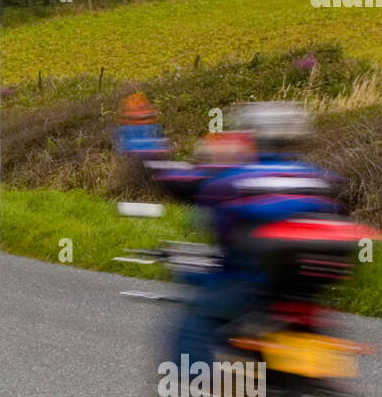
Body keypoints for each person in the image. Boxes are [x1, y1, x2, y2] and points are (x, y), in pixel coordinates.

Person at [117, 96, 342, 364]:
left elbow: (172, 179)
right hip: (308, 292)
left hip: (251, 285)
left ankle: (192, 389)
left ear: (250, 136)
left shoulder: (233, 177)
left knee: (195, 320)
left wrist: (142, 136)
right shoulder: (321, 178)